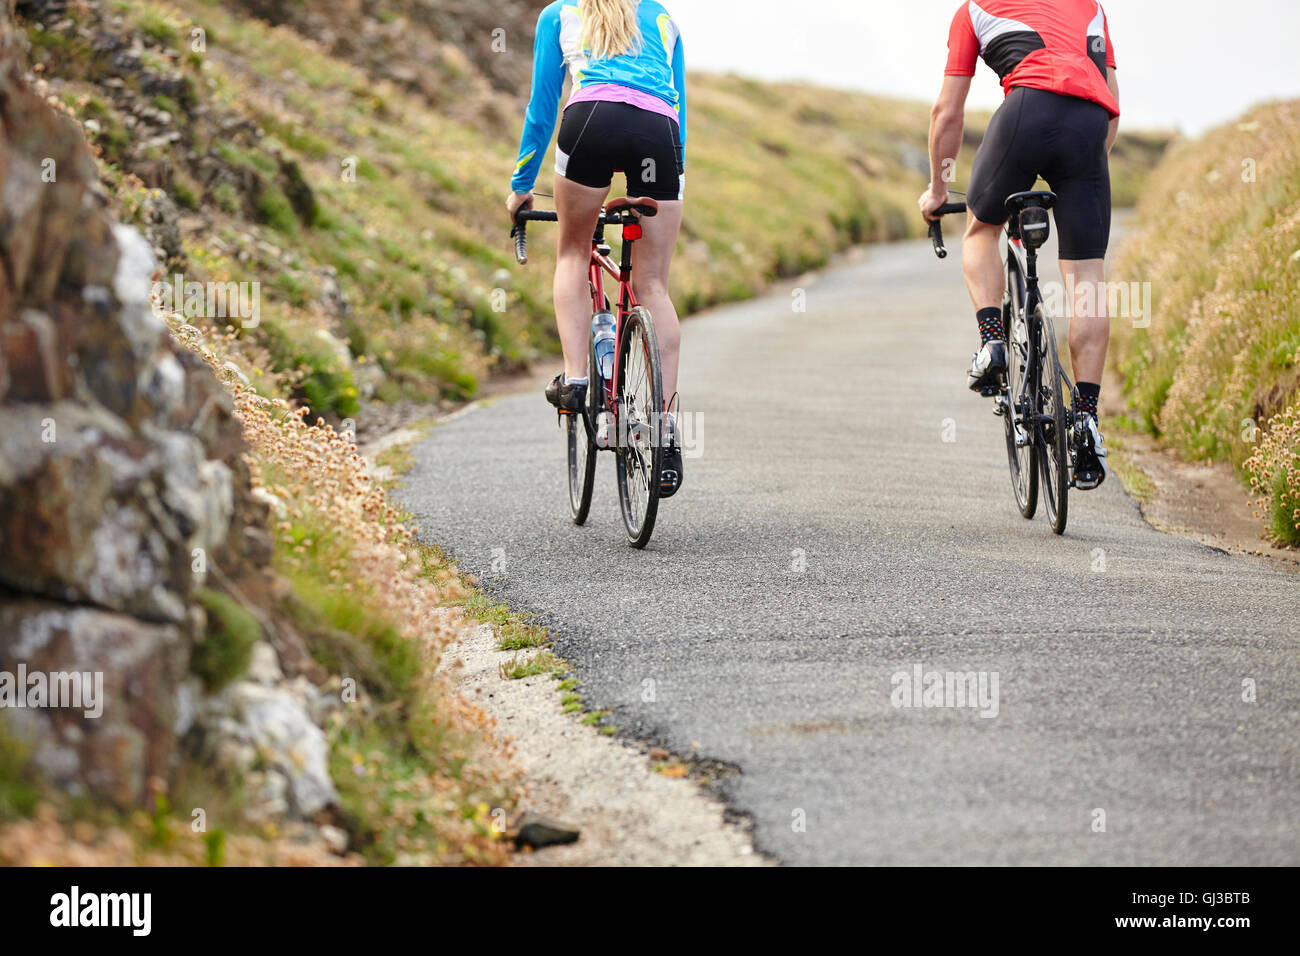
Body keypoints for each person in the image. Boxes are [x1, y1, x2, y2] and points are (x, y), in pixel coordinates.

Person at [919, 0, 1120, 490]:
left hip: (1027, 108)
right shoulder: (1091, 7)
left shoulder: (973, 10)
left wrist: (939, 190)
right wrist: (1078, 179)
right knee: (1088, 278)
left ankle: (992, 343)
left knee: (980, 230)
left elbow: (948, 112)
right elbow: (1114, 106)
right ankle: (1087, 422)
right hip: (1091, 128)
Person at [507, 0, 687, 496]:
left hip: (590, 121)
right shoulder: (664, 18)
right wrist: (675, 183)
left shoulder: (559, 13)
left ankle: (577, 379)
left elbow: (542, 109)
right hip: (658, 136)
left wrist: (522, 185)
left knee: (572, 251)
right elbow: (680, 111)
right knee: (652, 284)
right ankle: (666, 432)